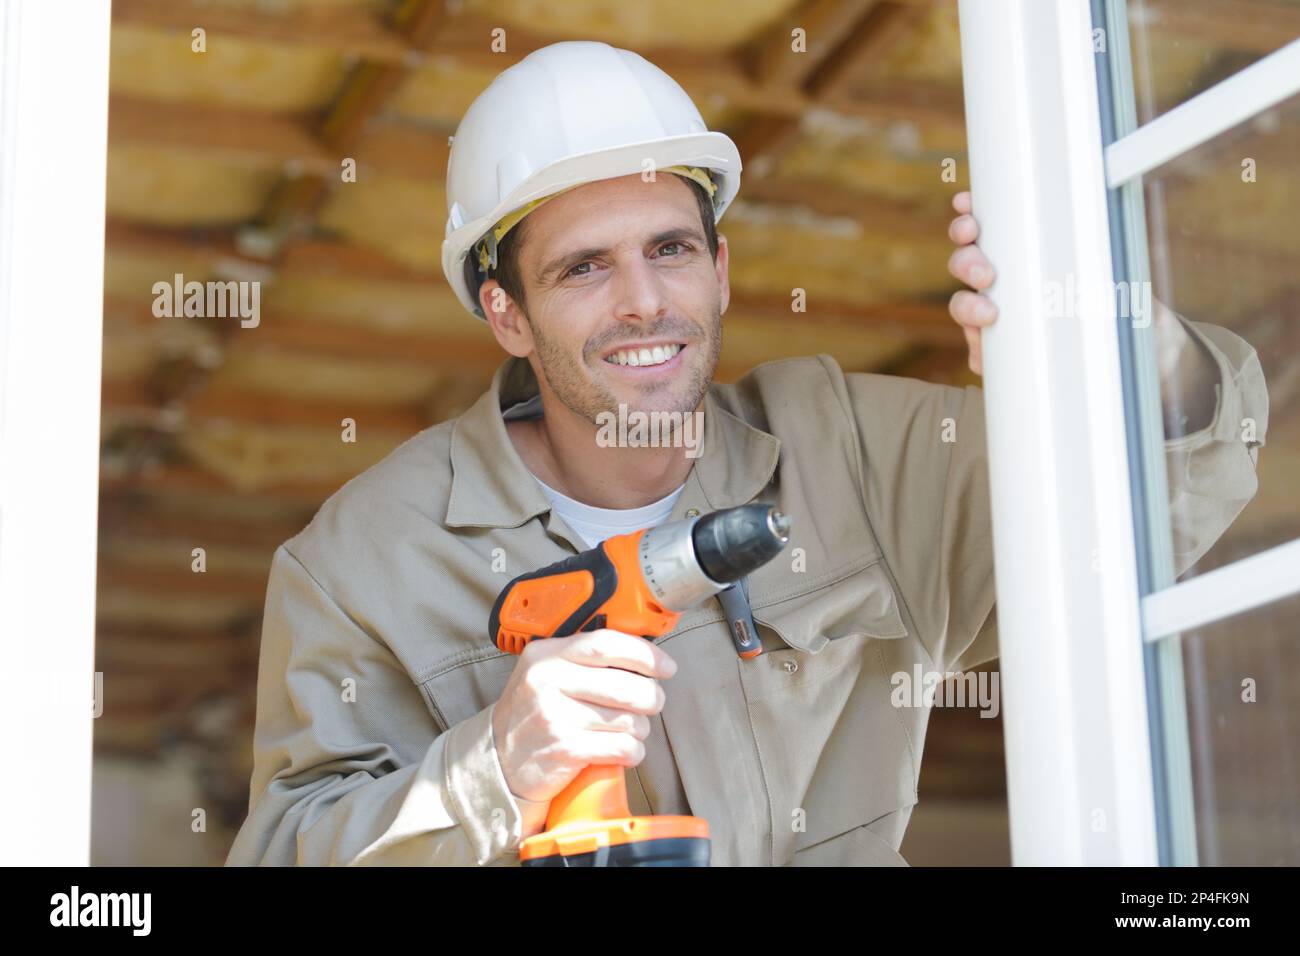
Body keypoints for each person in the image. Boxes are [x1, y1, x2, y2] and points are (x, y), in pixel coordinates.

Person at [226, 41, 1267, 866]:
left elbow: (1160, 507)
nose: (644, 300)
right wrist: (490, 769)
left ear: (719, 269)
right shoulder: (363, 561)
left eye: (669, 249)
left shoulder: (850, 457)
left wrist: (1118, 341)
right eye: (584, 267)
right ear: (504, 312)